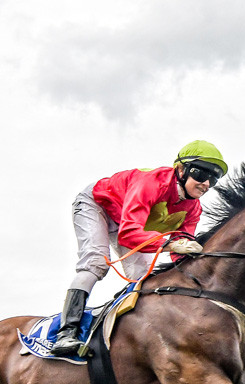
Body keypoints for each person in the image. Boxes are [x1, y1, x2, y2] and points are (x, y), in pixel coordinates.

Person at [49, 141, 228, 357]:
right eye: (201, 174)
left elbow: (180, 248)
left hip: (129, 222)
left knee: (143, 279)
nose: (206, 183)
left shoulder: (193, 208)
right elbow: (129, 233)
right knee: (95, 262)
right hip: (97, 206)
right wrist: (171, 244)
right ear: (181, 170)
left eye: (214, 179)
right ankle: (66, 332)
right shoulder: (152, 183)